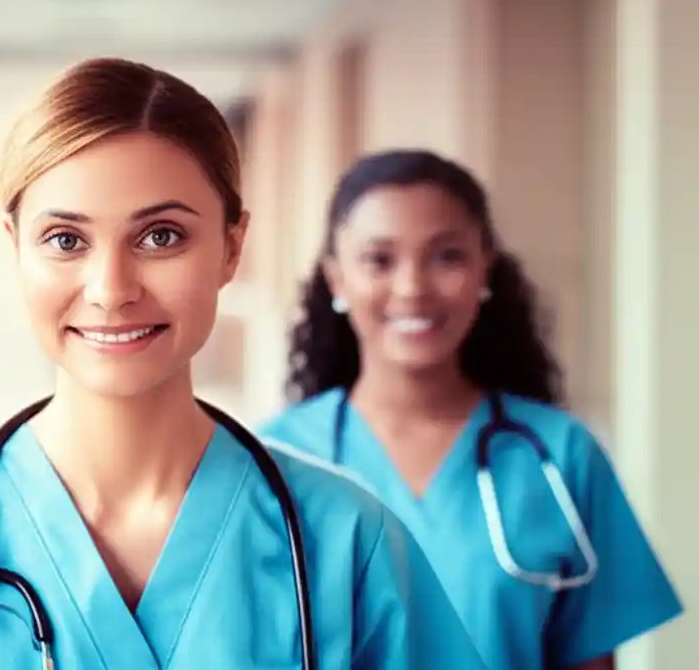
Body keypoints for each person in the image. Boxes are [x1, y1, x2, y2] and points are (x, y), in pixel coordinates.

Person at [0, 59, 484, 670]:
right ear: (15, 247)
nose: (111, 289)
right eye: (66, 240)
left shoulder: (344, 543)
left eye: (161, 236)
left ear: (232, 247)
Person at [258, 149, 682, 670]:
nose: (413, 288)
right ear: (336, 279)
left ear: (485, 270)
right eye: (379, 260)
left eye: (447, 257)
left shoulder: (561, 455)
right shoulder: (273, 462)